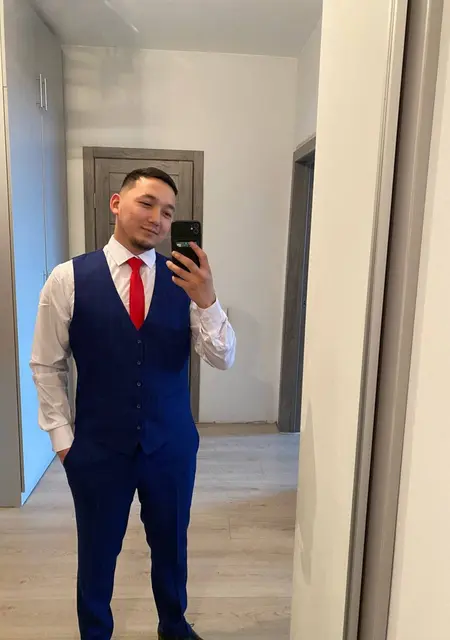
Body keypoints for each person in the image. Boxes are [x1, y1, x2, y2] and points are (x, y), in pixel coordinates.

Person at [30, 167, 236, 640]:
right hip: (98, 449)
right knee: (98, 551)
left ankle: (173, 626)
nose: (158, 219)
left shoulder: (185, 281)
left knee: (172, 544)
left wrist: (207, 299)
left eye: (168, 212)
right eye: (147, 203)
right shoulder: (68, 278)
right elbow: (46, 363)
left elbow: (222, 358)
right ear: (116, 203)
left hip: (172, 445)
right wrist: (63, 442)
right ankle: (95, 633)